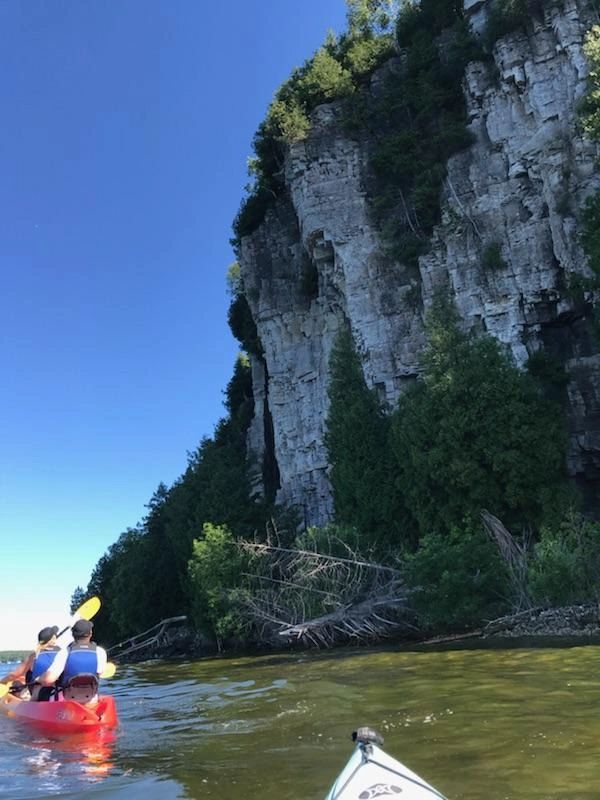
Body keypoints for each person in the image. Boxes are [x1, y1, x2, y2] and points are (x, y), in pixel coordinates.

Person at [40, 619, 107, 705]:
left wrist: (39, 679)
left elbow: (48, 680)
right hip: (91, 699)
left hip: (66, 700)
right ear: (90, 634)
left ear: (73, 635)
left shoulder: (65, 652)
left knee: (43, 692)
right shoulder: (100, 652)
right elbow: (99, 674)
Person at [0, 625, 62, 700]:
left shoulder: (34, 655)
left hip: (38, 694)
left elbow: (14, 675)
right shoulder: (63, 653)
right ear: (54, 639)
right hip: (59, 692)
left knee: (17, 682)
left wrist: (2, 681)